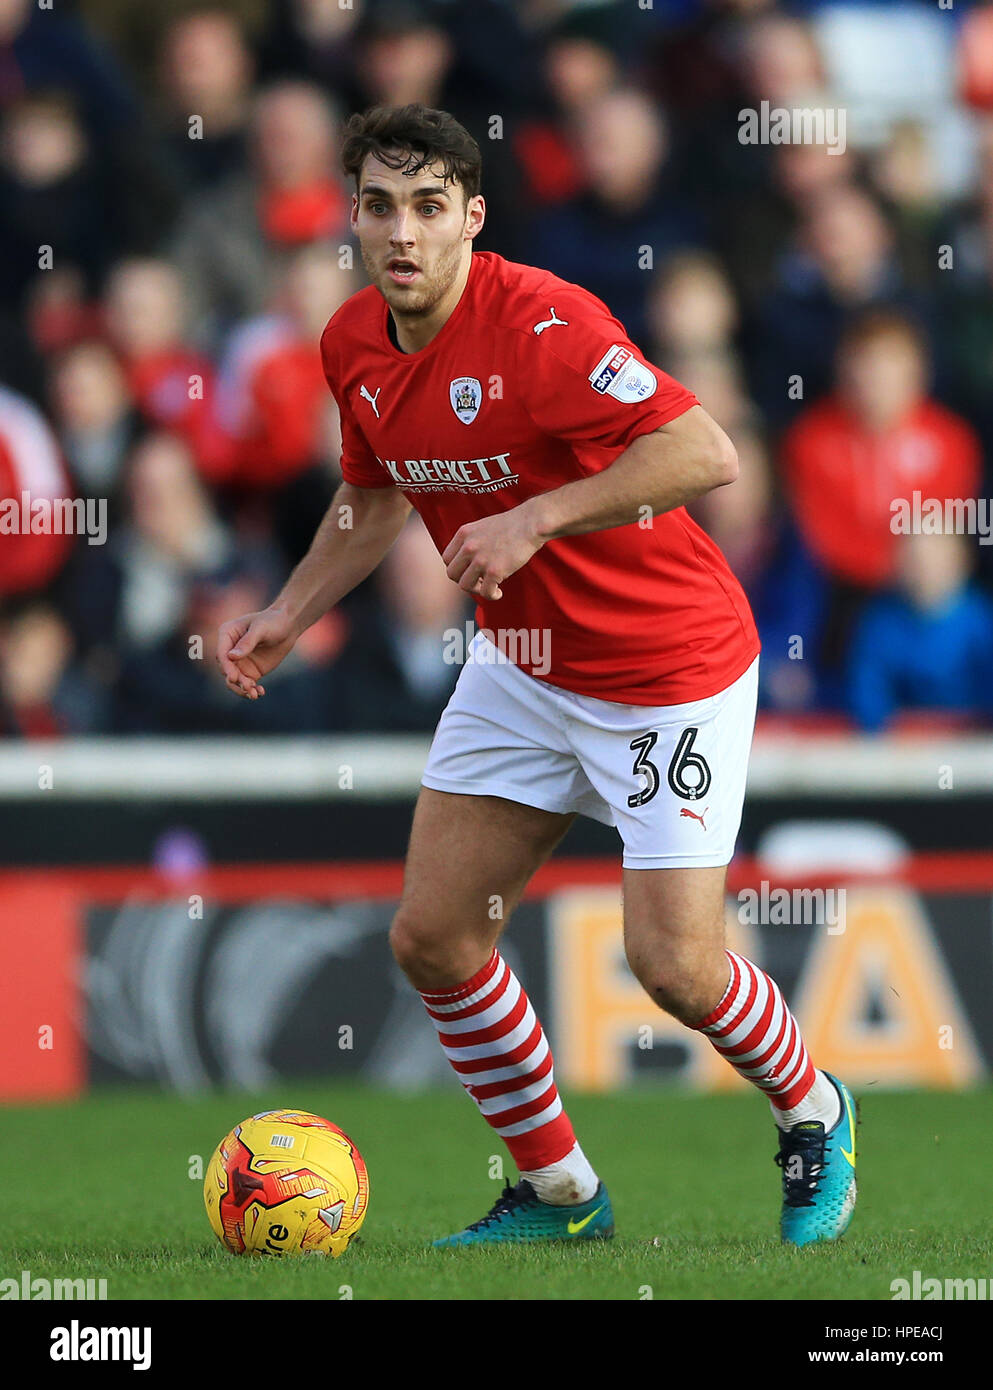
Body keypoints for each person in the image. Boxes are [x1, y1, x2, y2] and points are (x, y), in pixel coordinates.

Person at [217, 102, 857, 1248]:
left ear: (471, 217)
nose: (401, 233)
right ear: (352, 221)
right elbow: (372, 496)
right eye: (377, 207)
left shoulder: (545, 322)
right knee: (435, 934)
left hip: (668, 665)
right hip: (524, 666)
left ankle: (815, 1106)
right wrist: (287, 611)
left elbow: (706, 451)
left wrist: (536, 517)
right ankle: (563, 1196)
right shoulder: (352, 343)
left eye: (426, 208)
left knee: (674, 964)